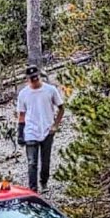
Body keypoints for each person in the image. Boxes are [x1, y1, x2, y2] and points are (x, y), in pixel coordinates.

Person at [15, 65, 65, 193]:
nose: (35, 80)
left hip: (47, 129)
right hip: (30, 131)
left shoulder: (50, 90)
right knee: (32, 162)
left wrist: (55, 125)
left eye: (36, 77)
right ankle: (33, 189)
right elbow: (22, 114)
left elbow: (61, 108)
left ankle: (44, 182)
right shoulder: (23, 94)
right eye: (32, 78)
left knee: (45, 160)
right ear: (27, 79)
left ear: (39, 76)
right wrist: (20, 133)